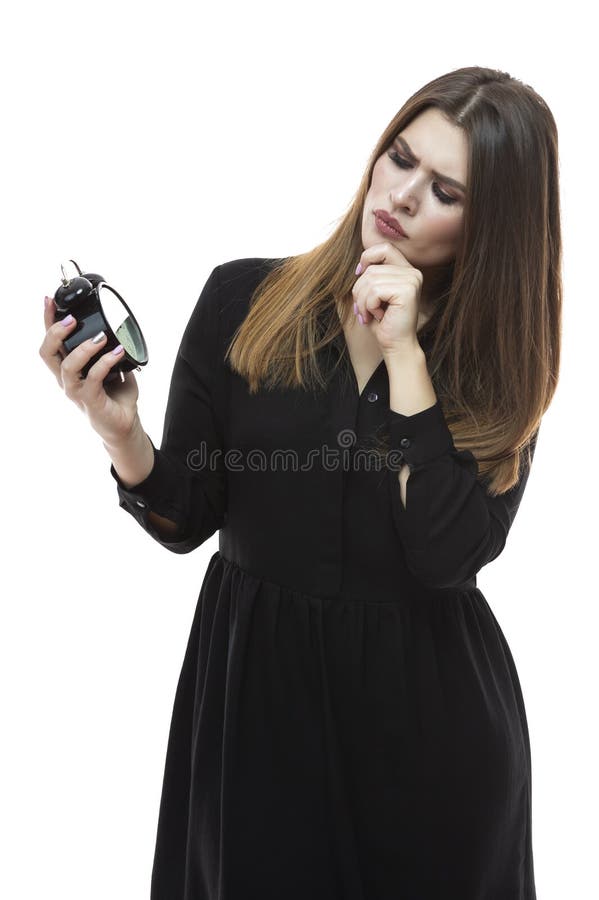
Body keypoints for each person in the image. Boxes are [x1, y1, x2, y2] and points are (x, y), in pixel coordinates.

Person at [39, 65, 561, 899]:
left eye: (447, 191)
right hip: (257, 709)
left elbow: (448, 553)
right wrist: (120, 430)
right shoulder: (245, 298)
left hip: (428, 732)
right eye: (400, 157)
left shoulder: (501, 369)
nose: (403, 195)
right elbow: (187, 514)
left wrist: (405, 359)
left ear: (489, 225)